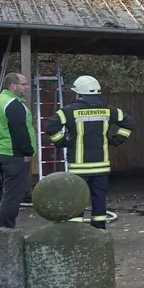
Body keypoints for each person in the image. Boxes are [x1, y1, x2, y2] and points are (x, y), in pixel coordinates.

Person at [44, 75, 134, 229]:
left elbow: (51, 127)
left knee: (77, 198)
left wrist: (62, 142)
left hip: (78, 167)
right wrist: (116, 140)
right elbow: (128, 123)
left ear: (79, 93)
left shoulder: (69, 111)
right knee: (99, 198)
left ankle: (76, 230)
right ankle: (99, 229)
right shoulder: (108, 110)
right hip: (101, 166)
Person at [0, 72, 35, 228]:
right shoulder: (13, 104)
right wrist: (28, 152)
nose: (27, 87)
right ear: (13, 86)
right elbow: (19, 131)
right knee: (12, 197)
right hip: (14, 155)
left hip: (1, 153)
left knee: (9, 194)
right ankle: (7, 232)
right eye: (24, 84)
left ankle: (5, 230)